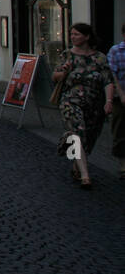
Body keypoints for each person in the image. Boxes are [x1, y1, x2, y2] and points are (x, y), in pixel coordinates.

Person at [51, 22, 117, 189]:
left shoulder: (100, 58)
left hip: (94, 104)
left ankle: (77, 165)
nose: (73, 37)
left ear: (87, 37)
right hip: (70, 101)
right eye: (71, 34)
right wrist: (64, 72)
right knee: (77, 132)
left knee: (89, 137)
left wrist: (109, 101)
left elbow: (108, 81)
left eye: (76, 34)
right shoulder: (67, 55)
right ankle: (85, 175)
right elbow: (55, 76)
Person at [107, 22, 125, 179]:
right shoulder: (116, 51)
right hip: (121, 98)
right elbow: (111, 75)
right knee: (120, 129)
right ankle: (123, 164)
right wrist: (120, 94)